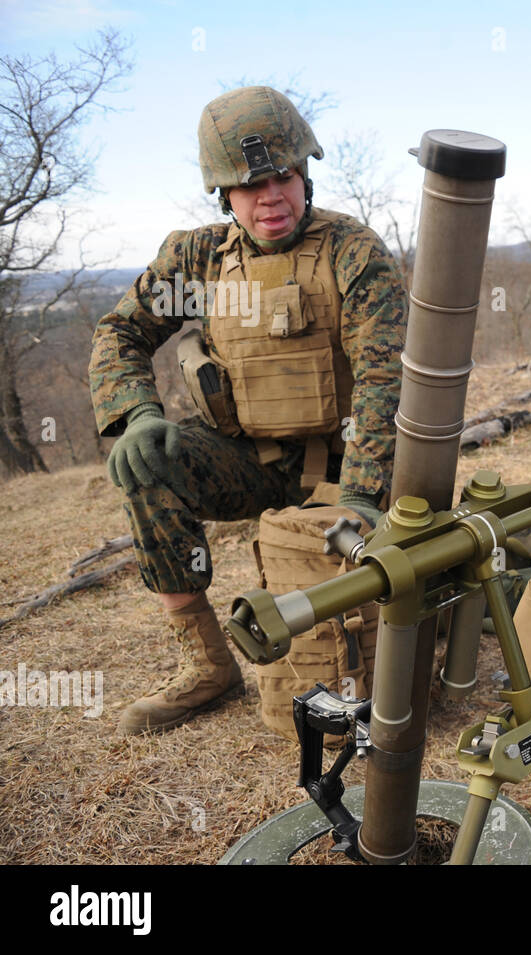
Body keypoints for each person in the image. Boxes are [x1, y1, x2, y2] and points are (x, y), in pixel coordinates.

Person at [88, 86, 406, 735]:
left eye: (283, 175)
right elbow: (120, 332)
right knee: (147, 468)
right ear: (223, 193)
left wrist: (365, 495)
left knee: (387, 611)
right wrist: (136, 416)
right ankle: (207, 662)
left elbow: (383, 376)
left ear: (305, 172)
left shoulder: (354, 250)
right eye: (249, 183)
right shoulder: (197, 259)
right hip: (246, 460)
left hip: (348, 466)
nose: (271, 196)